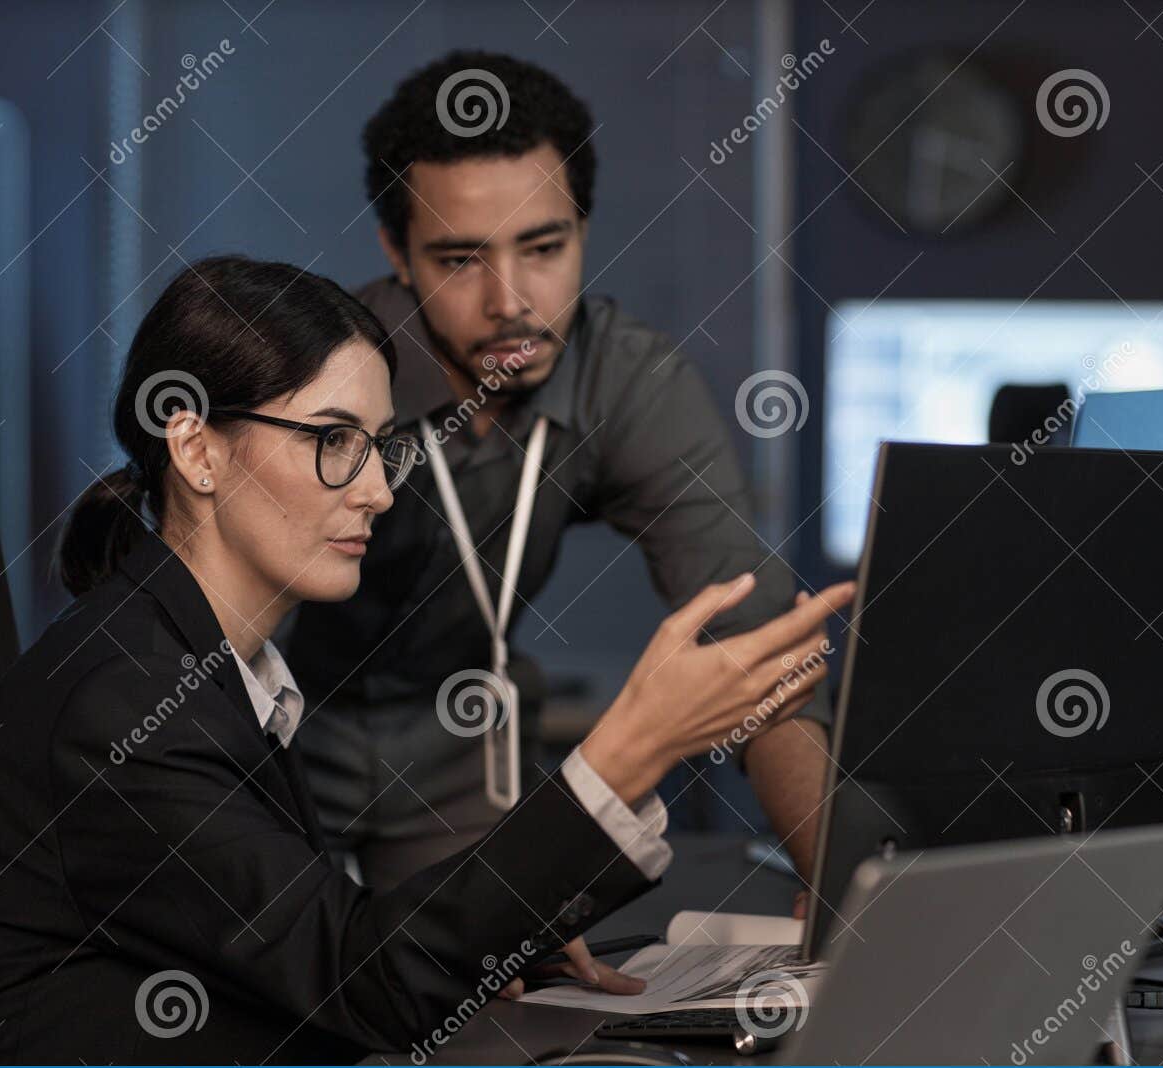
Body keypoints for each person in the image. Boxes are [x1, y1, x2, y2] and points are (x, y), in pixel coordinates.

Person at [0, 255, 852, 1064]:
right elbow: (362, 981)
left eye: (381, 446)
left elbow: (303, 945)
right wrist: (633, 747)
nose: (376, 489)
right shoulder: (123, 706)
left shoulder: (200, 666)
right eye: (334, 441)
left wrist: (496, 937)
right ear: (197, 446)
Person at [288, 51, 836, 894]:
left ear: (583, 228)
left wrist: (847, 895)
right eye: (462, 260)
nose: (512, 300)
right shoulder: (323, 374)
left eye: (544, 246)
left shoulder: (628, 381)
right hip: (274, 742)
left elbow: (756, 655)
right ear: (398, 253)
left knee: (498, 990)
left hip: (461, 752)